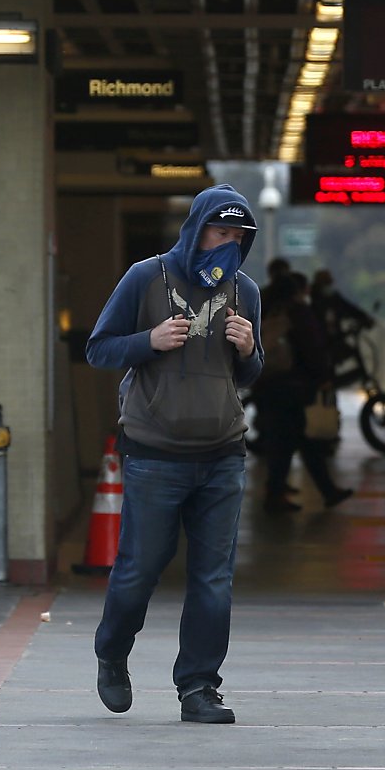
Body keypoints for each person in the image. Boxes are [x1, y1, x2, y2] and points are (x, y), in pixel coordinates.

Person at [84, 185, 263, 726]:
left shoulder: (245, 291)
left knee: (213, 578)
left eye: (238, 237)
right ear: (196, 229)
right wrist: (149, 340)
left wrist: (250, 349)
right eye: (219, 232)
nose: (227, 244)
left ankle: (200, 687)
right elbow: (99, 347)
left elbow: (250, 375)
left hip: (223, 453)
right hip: (155, 454)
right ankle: (112, 652)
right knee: (140, 569)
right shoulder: (146, 277)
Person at [255, 274, 354, 515]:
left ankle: (319, 490)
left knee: (291, 439)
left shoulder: (264, 309)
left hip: (267, 383)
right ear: (298, 290)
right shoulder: (299, 312)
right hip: (294, 386)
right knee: (292, 440)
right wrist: (323, 377)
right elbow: (313, 347)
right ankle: (280, 494)